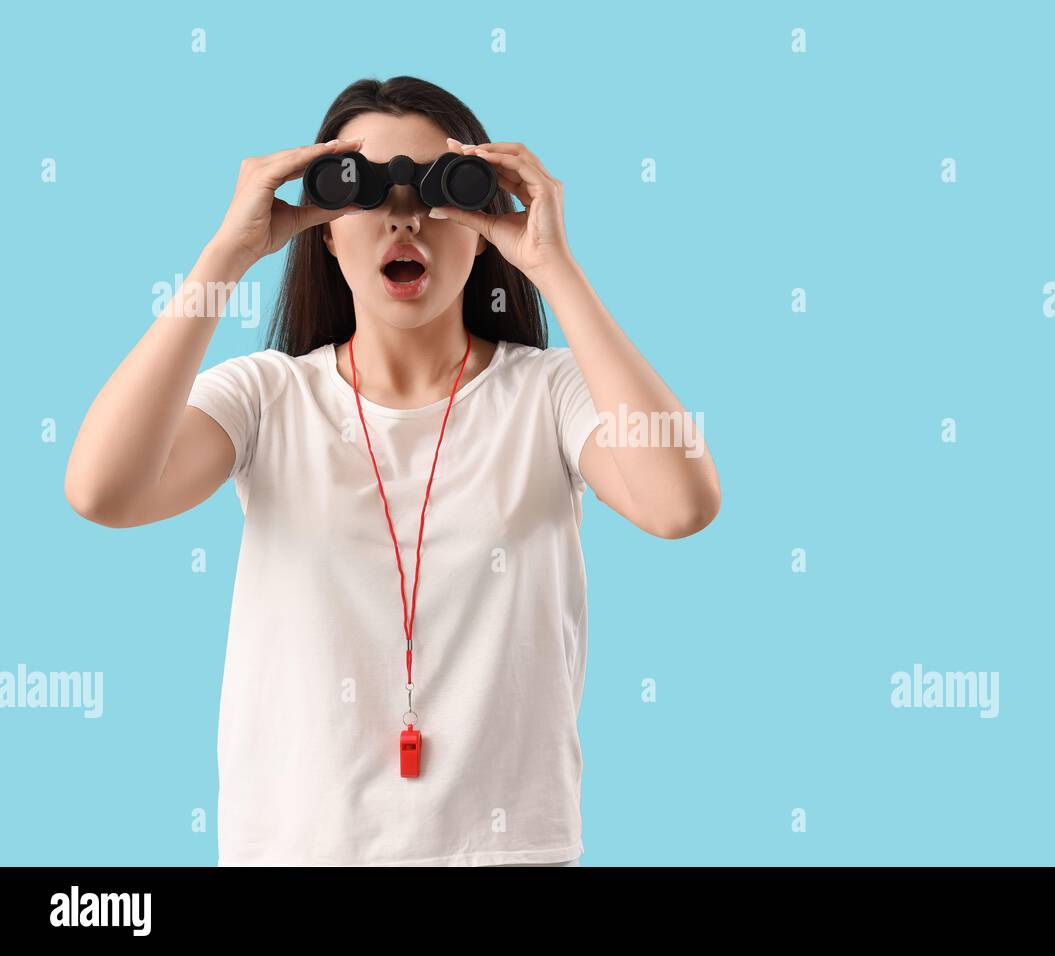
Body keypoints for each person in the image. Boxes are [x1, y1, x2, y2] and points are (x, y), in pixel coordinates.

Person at [64, 76, 720, 867]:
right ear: (326, 233)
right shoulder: (268, 396)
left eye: (439, 192)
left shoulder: (549, 393)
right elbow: (102, 490)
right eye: (367, 190)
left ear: (481, 228)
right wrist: (227, 252)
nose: (404, 215)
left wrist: (557, 269)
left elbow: (680, 504)